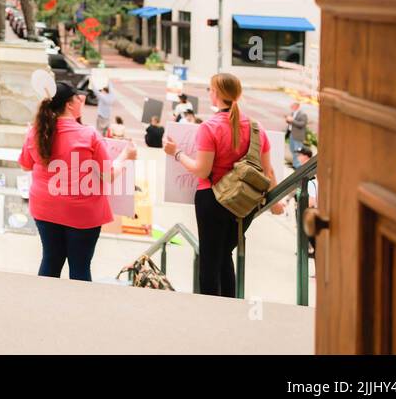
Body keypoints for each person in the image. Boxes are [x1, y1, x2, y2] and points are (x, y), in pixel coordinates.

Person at [164, 72, 283, 298]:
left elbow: (202, 170)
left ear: (216, 93)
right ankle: (230, 305)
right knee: (225, 254)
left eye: (210, 89)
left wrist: (176, 153)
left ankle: (210, 311)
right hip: (244, 203)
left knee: (209, 259)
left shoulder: (210, 127)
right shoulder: (256, 127)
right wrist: (276, 203)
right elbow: (267, 171)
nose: (209, 93)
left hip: (213, 200)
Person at [19, 80, 137, 281]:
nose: (81, 100)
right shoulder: (88, 134)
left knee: (50, 259)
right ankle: (79, 311)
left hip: (45, 207)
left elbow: (26, 165)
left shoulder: (36, 132)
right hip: (82, 212)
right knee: (80, 265)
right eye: (78, 97)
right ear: (69, 104)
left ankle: (42, 307)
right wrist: (126, 156)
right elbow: (108, 175)